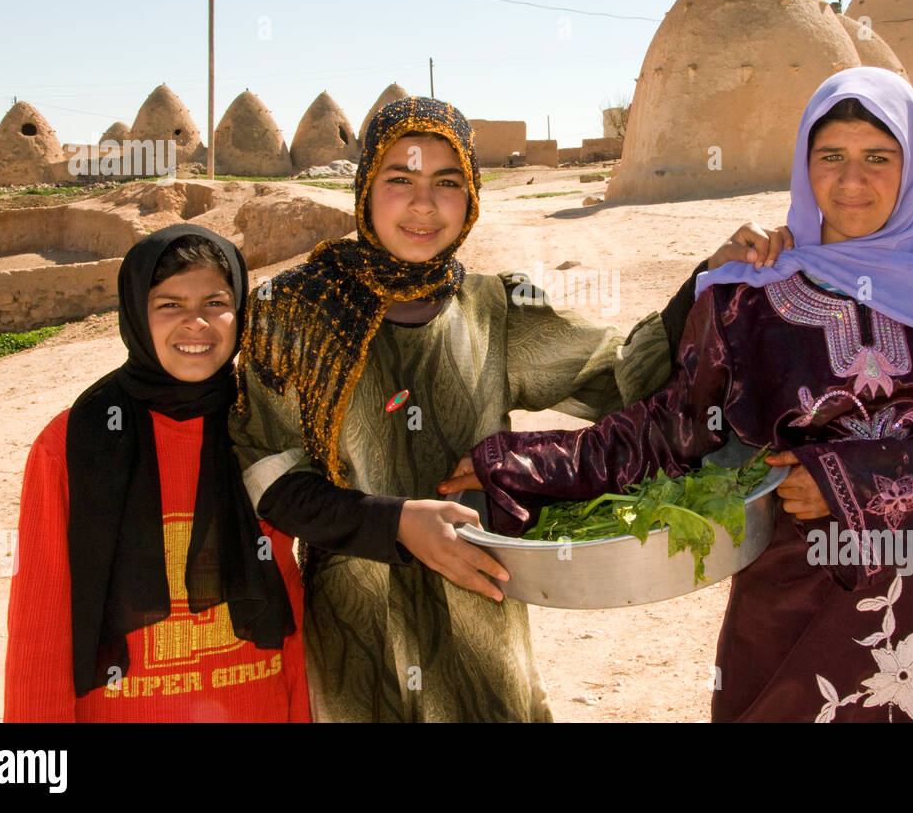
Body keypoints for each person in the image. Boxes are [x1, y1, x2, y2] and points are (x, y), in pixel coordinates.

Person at [452, 67, 913, 722]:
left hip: (911, 611)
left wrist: (845, 480)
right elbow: (668, 432)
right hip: (784, 603)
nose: (851, 181)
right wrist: (520, 462)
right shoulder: (751, 298)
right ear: (804, 164)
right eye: (830, 156)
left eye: (878, 157)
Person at [230, 95, 787, 722]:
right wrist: (395, 525)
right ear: (365, 187)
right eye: (400, 180)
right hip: (358, 637)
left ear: (470, 197)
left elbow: (625, 375)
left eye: (447, 182)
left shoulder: (495, 308)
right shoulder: (293, 312)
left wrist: (704, 281)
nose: (423, 204)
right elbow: (270, 479)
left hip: (480, 626)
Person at [4, 225, 308, 722]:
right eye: (169, 305)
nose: (196, 324)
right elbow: (41, 621)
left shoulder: (263, 428)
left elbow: (286, 592)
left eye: (215, 302)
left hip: (256, 704)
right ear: (135, 316)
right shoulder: (72, 444)